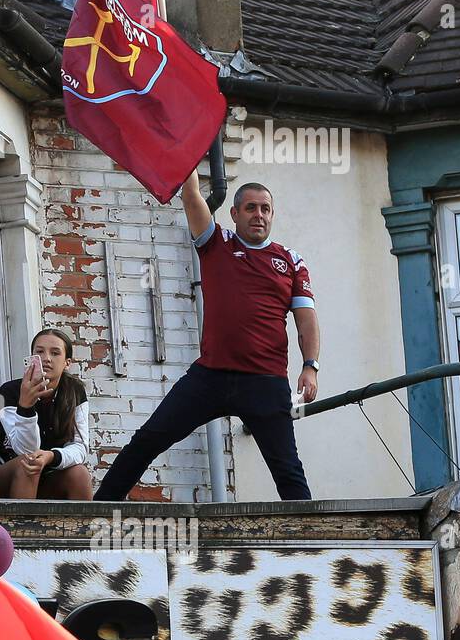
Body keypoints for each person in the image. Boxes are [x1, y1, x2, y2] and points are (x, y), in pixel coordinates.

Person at [94, 171, 319, 501]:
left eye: (265, 209)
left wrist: (310, 366)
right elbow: (191, 197)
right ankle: (97, 513)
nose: (259, 215)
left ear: (272, 215)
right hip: (210, 376)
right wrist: (188, 154)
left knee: (287, 469)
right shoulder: (217, 243)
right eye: (251, 208)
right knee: (148, 440)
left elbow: (307, 320)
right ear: (235, 213)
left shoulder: (291, 261)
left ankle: (310, 544)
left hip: (264, 380)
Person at [0, 328, 92, 500]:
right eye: (39, 352)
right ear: (31, 358)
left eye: (55, 353)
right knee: (29, 461)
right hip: (4, 475)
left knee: (79, 473)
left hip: (48, 473)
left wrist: (51, 456)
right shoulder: (6, 392)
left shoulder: (75, 391)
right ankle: (22, 527)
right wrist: (25, 407)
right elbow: (25, 449)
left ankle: (82, 527)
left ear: (67, 363)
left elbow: (80, 448)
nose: (46, 359)